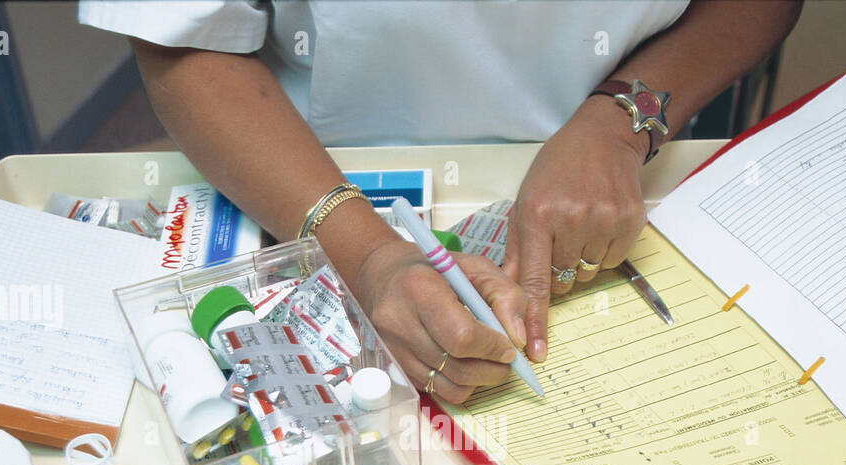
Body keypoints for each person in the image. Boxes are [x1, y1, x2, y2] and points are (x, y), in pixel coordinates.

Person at [80, 0, 801, 402]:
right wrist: (364, 255)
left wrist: (622, 120)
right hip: (302, 172)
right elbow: (182, 37)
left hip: (625, 159)